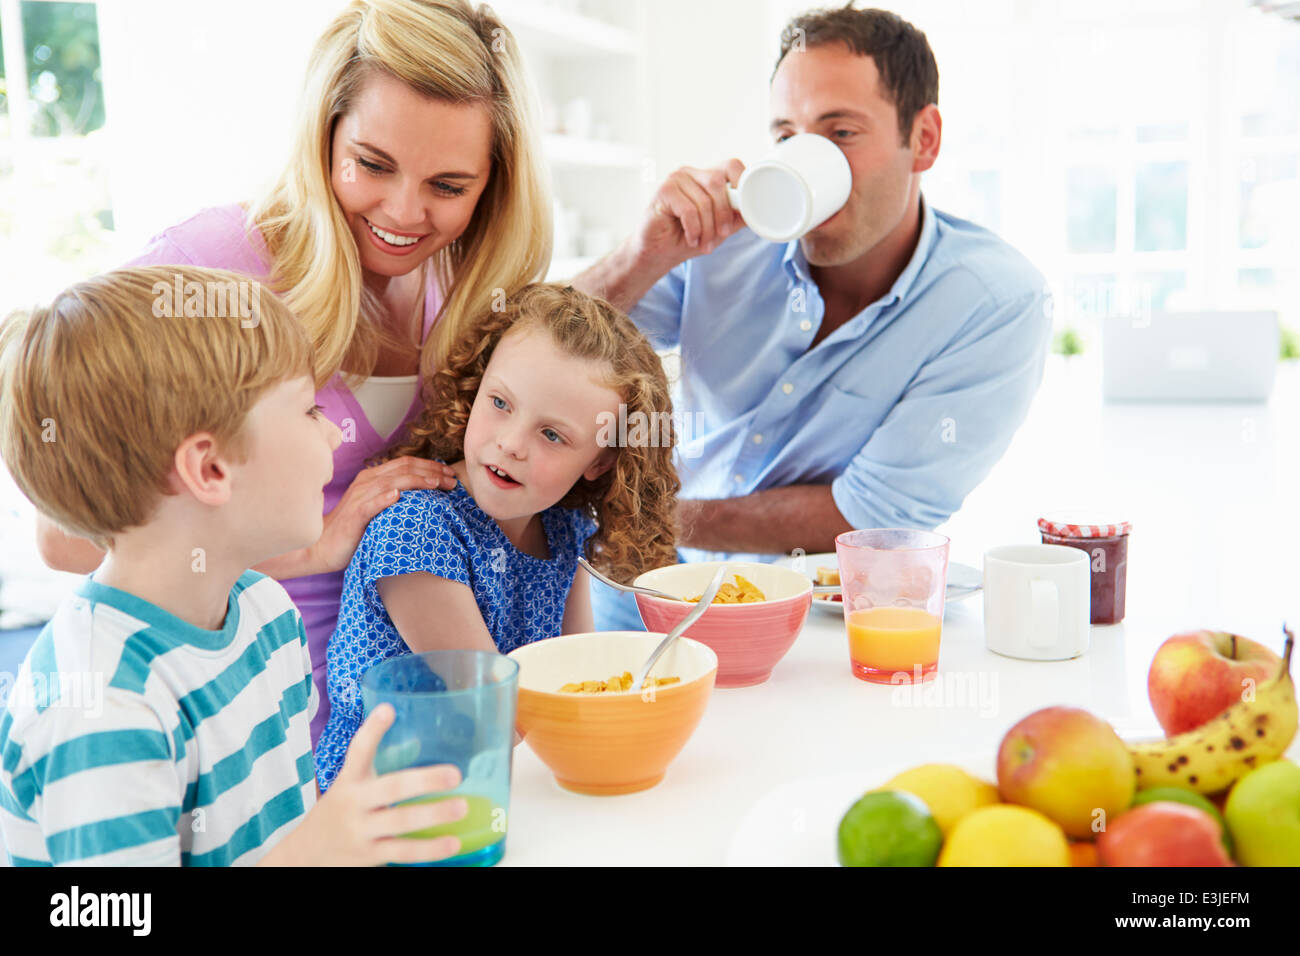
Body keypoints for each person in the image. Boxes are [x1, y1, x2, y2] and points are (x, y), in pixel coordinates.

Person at [32, 0, 553, 745]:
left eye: (448, 186)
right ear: (324, 135)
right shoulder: (211, 268)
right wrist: (314, 548)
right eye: (373, 165)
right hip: (252, 743)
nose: (404, 213)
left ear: (492, 187)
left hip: (421, 735)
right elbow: (63, 532)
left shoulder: (460, 294)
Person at [573, 6, 1053, 630]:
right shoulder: (724, 241)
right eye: (788, 137)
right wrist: (642, 255)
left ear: (924, 140)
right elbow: (542, 348)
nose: (807, 160)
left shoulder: (994, 303)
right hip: (638, 587)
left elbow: (867, 514)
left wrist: (647, 515)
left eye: (841, 133)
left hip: (816, 617)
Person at [0, 266, 471, 866]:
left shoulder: (266, 614)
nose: (332, 434)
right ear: (210, 470)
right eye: (308, 410)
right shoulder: (99, 708)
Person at [313, 284, 679, 789]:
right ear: (479, 385)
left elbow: (581, 675)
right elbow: (496, 715)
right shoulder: (415, 530)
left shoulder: (562, 527)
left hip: (502, 782)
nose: (510, 443)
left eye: (552, 435)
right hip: (383, 804)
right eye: (501, 403)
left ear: (600, 461)